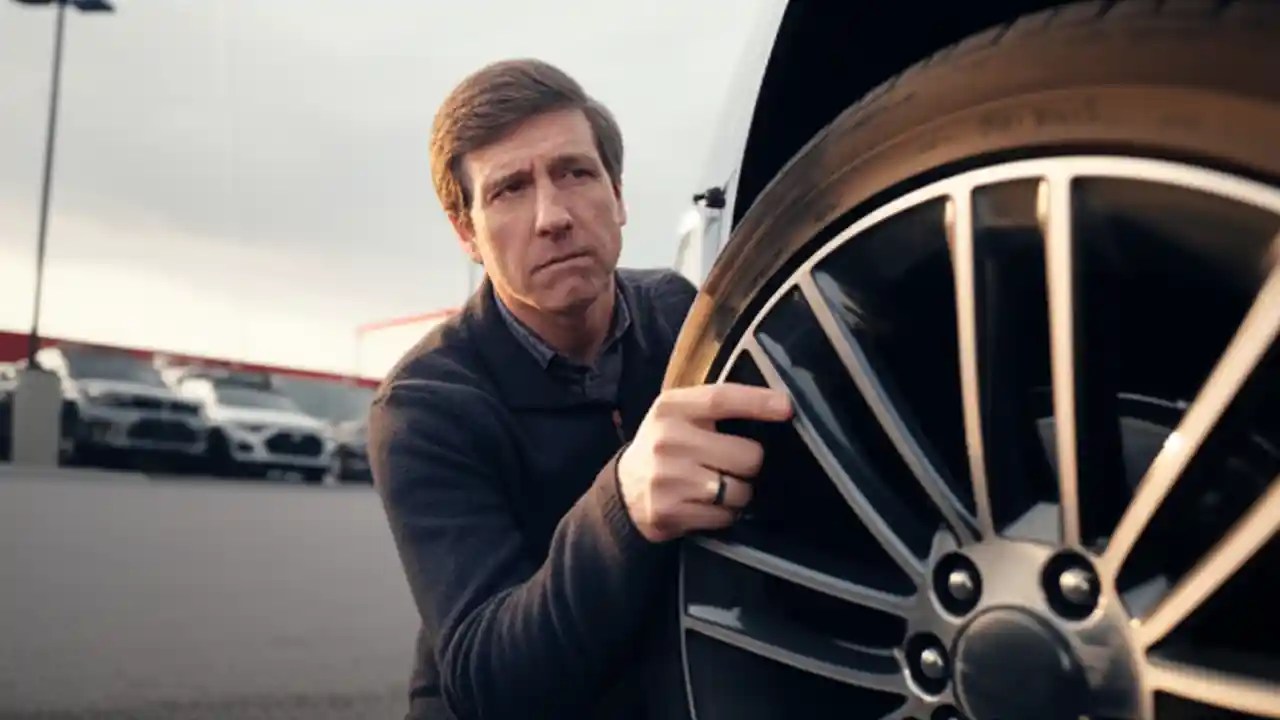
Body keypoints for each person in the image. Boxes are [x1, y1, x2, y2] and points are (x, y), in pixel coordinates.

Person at [367, 57, 793, 720]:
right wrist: (624, 507)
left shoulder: (680, 313)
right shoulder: (424, 406)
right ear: (467, 235)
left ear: (617, 196)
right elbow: (488, 680)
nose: (553, 216)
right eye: (509, 189)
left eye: (575, 172)